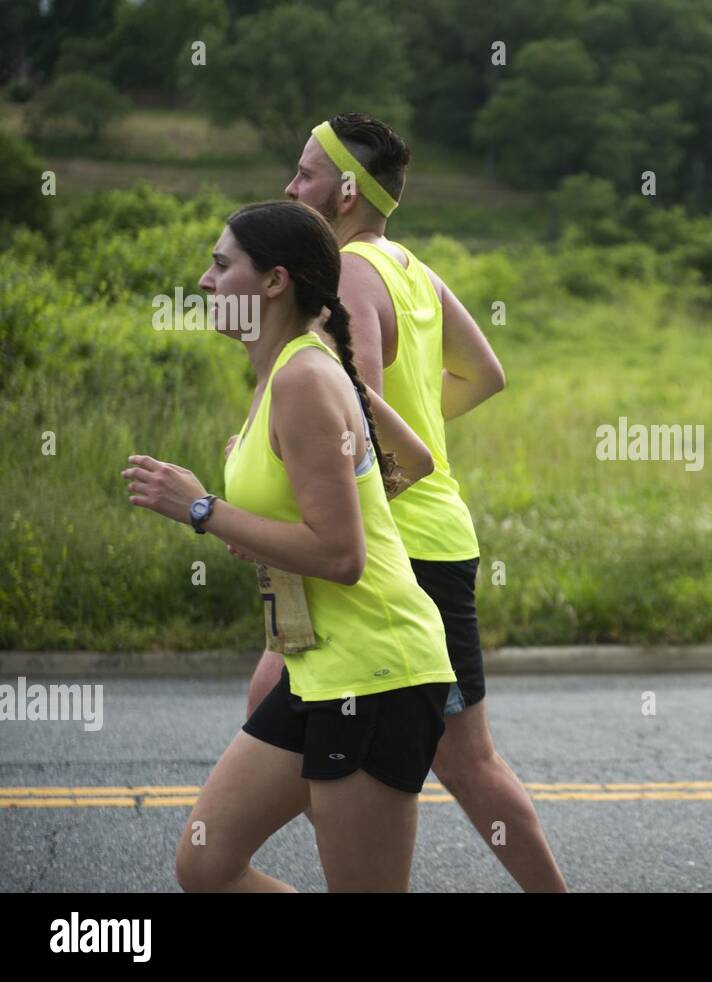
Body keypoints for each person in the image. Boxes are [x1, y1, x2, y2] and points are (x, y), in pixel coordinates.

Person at [248, 112, 564, 891]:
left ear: (347, 191)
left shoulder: (351, 270)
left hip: (406, 550)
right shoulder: (411, 267)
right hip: (432, 536)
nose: (291, 187)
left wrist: (358, 476)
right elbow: (484, 374)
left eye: (304, 175)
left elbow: (356, 418)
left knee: (467, 762)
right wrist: (424, 433)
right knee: (278, 699)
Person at [124, 200, 457, 891]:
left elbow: (341, 556)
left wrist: (201, 508)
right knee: (207, 865)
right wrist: (284, 524)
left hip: (375, 674)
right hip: (315, 672)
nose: (204, 281)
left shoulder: (304, 378)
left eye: (221, 265)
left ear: (274, 282)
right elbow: (410, 460)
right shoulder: (296, 367)